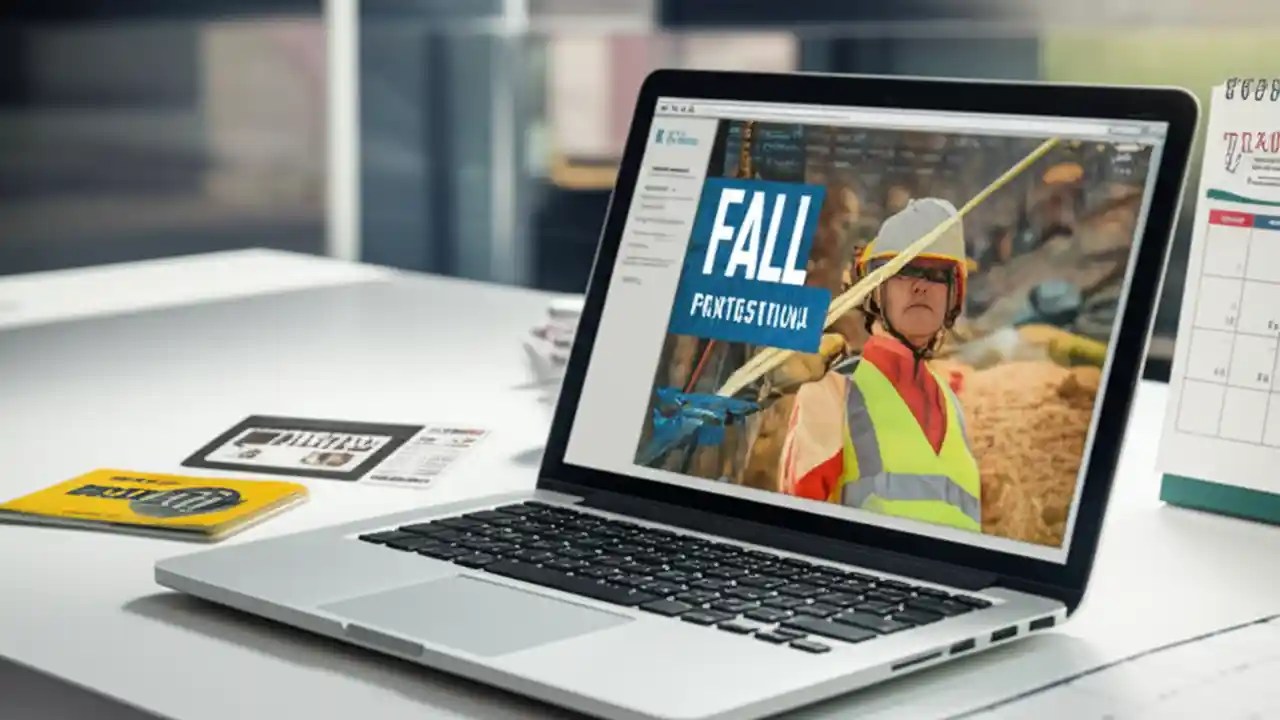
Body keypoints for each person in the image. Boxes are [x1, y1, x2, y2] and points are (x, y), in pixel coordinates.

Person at [779, 197, 982, 532]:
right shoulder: (833, 393)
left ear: (953, 295)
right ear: (874, 290)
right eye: (905, 271)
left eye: (937, 275)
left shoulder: (954, 407)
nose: (921, 285)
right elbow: (792, 531)